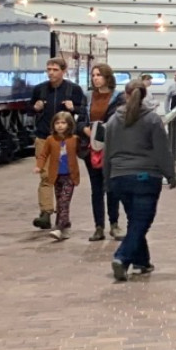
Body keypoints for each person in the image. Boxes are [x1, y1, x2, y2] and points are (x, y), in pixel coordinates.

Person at [104, 84, 176, 282]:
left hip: (120, 178)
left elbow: (107, 152)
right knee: (140, 223)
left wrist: (107, 179)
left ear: (125, 95)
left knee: (135, 221)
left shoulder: (112, 121)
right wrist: (170, 174)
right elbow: (162, 150)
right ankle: (122, 257)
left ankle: (142, 262)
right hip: (145, 178)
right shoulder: (152, 120)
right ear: (145, 96)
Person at [29, 58, 86, 229]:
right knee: (46, 176)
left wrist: (73, 108)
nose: (51, 73)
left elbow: (84, 110)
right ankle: (46, 213)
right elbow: (29, 109)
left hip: (66, 140)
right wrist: (35, 108)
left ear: (63, 71)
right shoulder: (40, 89)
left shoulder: (73, 90)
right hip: (44, 137)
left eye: (54, 69)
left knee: (64, 177)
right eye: (48, 69)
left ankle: (63, 216)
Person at [84, 63, 124, 242]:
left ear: (107, 77)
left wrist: (101, 131)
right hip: (90, 147)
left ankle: (114, 224)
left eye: (98, 75)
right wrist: (85, 130)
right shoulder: (87, 97)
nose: (95, 78)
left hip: (110, 147)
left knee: (111, 187)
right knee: (96, 189)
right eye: (93, 75)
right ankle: (98, 227)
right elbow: (78, 119)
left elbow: (118, 119)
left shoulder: (118, 97)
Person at [35, 111, 82, 240]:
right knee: (60, 201)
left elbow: (82, 151)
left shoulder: (74, 139)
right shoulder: (50, 140)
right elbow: (43, 154)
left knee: (63, 202)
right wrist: (39, 166)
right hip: (56, 176)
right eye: (57, 123)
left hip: (70, 176)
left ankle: (59, 227)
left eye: (63, 123)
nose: (60, 126)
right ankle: (66, 226)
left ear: (69, 124)